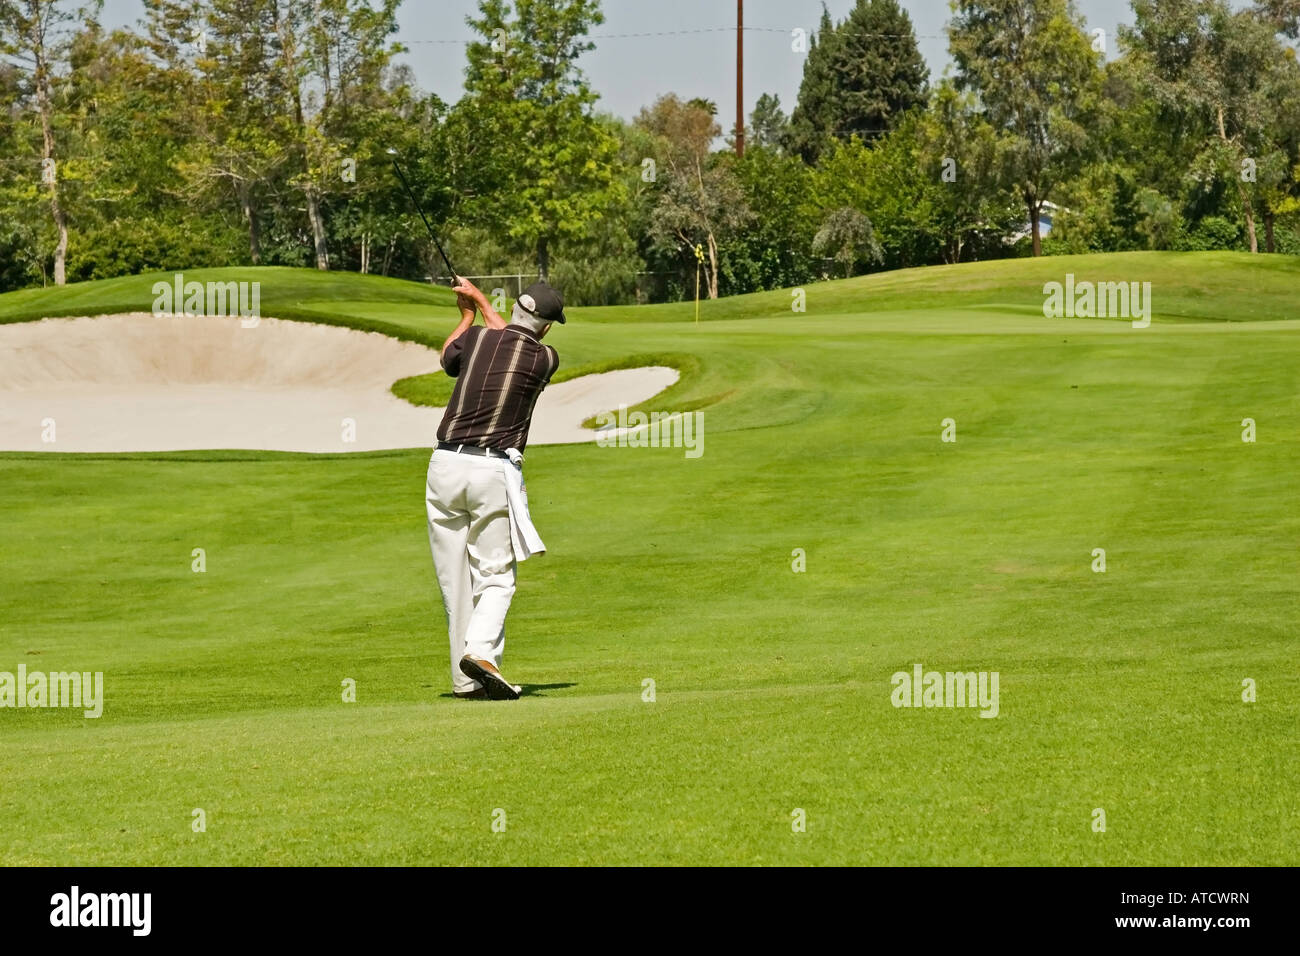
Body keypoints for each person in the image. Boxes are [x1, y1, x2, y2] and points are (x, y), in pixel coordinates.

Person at [424, 277, 565, 700]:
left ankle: (465, 681)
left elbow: (448, 355)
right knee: (496, 577)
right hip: (490, 470)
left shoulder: (478, 340)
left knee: (456, 581)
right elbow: (514, 338)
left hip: (443, 465)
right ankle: (481, 654)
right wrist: (480, 303)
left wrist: (469, 311)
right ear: (547, 326)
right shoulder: (545, 357)